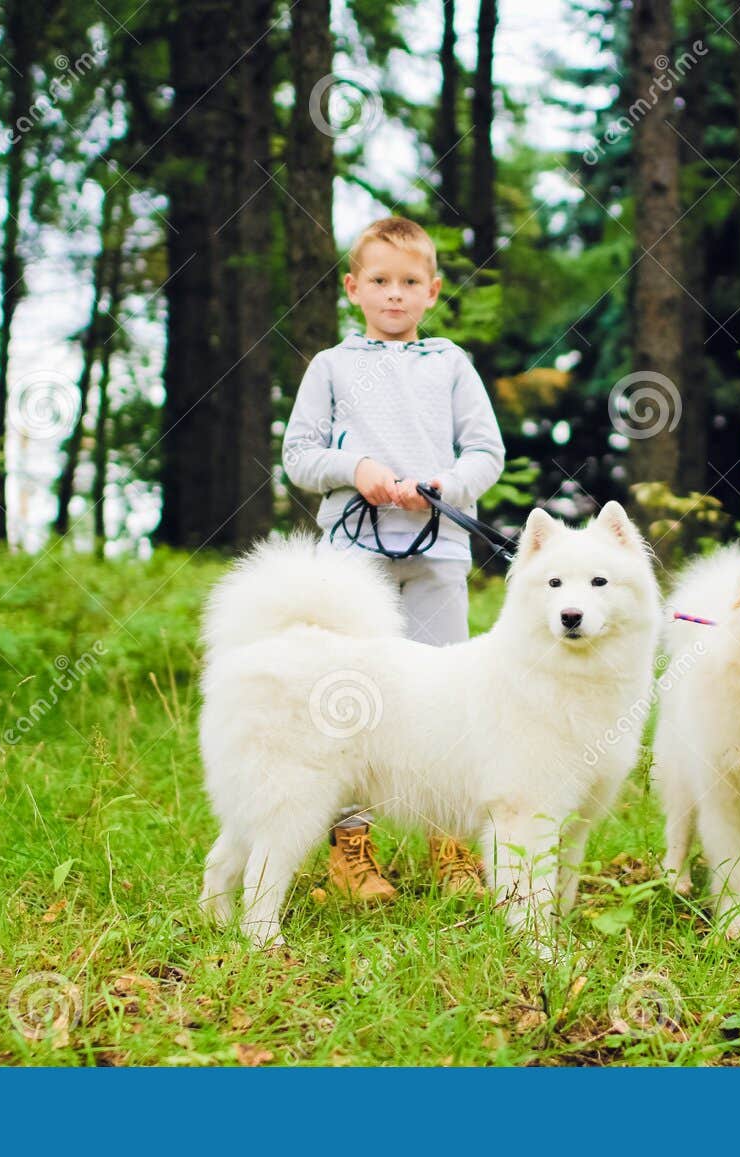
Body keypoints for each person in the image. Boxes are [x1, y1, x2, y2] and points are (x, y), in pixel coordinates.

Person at [281, 215, 506, 903]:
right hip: (353, 561)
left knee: (446, 693)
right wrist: (358, 467)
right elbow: (299, 455)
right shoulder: (331, 367)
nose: (395, 295)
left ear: (433, 291)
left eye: (410, 282)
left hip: (437, 553)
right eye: (380, 281)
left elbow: (486, 452)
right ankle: (351, 847)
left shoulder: (451, 365)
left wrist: (443, 486)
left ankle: (450, 839)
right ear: (353, 288)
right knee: (351, 698)